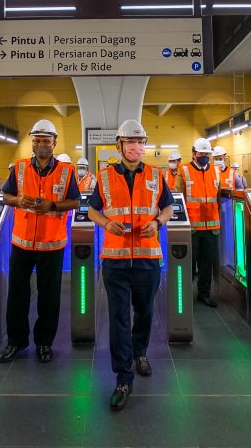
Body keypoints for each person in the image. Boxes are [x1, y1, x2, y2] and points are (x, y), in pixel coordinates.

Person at [88, 119, 173, 411]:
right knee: (119, 318)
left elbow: (168, 207)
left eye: (140, 142)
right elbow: (91, 210)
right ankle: (123, 377)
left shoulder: (157, 175)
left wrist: (157, 222)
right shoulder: (105, 176)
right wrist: (106, 222)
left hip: (148, 258)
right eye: (130, 142)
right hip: (115, 260)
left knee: (145, 311)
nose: (136, 147)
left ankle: (140, 353)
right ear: (119, 145)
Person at [0, 119, 81, 363]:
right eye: (37, 141)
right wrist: (17, 201)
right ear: (32, 144)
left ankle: (44, 342)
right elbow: (6, 196)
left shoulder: (66, 171)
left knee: (49, 296)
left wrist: (52, 205)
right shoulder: (20, 168)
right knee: (17, 295)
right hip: (22, 243)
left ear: (54, 143)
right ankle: (16, 341)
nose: (42, 145)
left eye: (46, 141)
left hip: (52, 244)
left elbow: (75, 202)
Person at [174, 137, 221, 307]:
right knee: (188, 263)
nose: (205, 156)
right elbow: (178, 196)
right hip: (191, 227)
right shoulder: (184, 170)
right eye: (201, 153)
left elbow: (218, 196)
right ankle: (185, 295)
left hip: (212, 227)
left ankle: (204, 294)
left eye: (207, 154)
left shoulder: (215, 171)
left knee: (206, 264)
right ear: (194, 153)